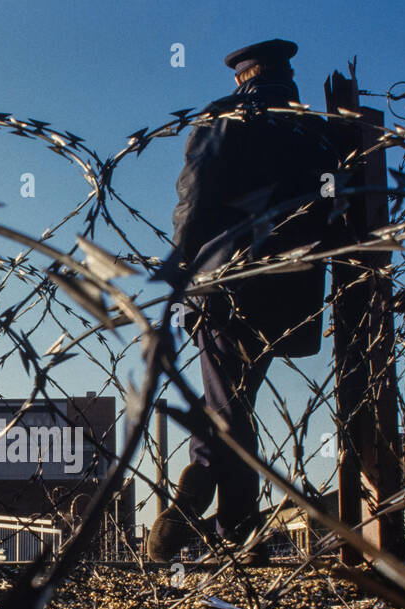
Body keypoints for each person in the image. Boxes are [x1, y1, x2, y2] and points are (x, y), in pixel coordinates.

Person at [148, 38, 336, 565]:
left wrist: (182, 268)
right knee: (236, 401)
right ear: (286, 76)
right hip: (294, 287)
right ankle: (239, 527)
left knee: (228, 405)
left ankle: (193, 496)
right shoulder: (318, 132)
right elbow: (332, 205)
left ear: (242, 77)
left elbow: (196, 197)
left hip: (228, 284)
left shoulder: (224, 118)